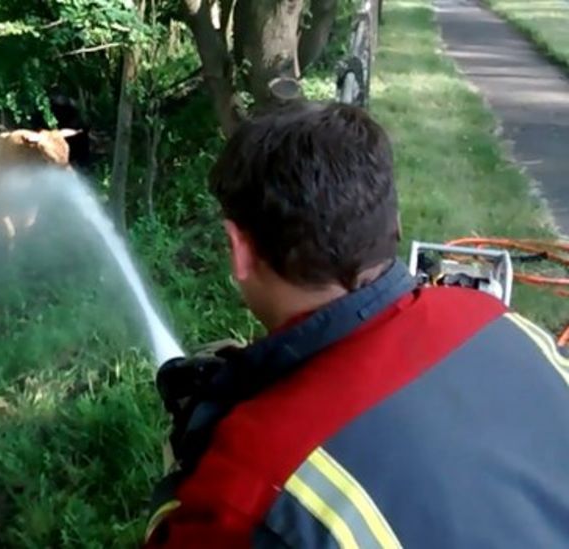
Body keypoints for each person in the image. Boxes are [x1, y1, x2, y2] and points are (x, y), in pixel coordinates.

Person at [144, 101, 569, 548]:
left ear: (238, 248)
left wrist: (181, 482)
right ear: (395, 222)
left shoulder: (248, 490)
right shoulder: (497, 320)